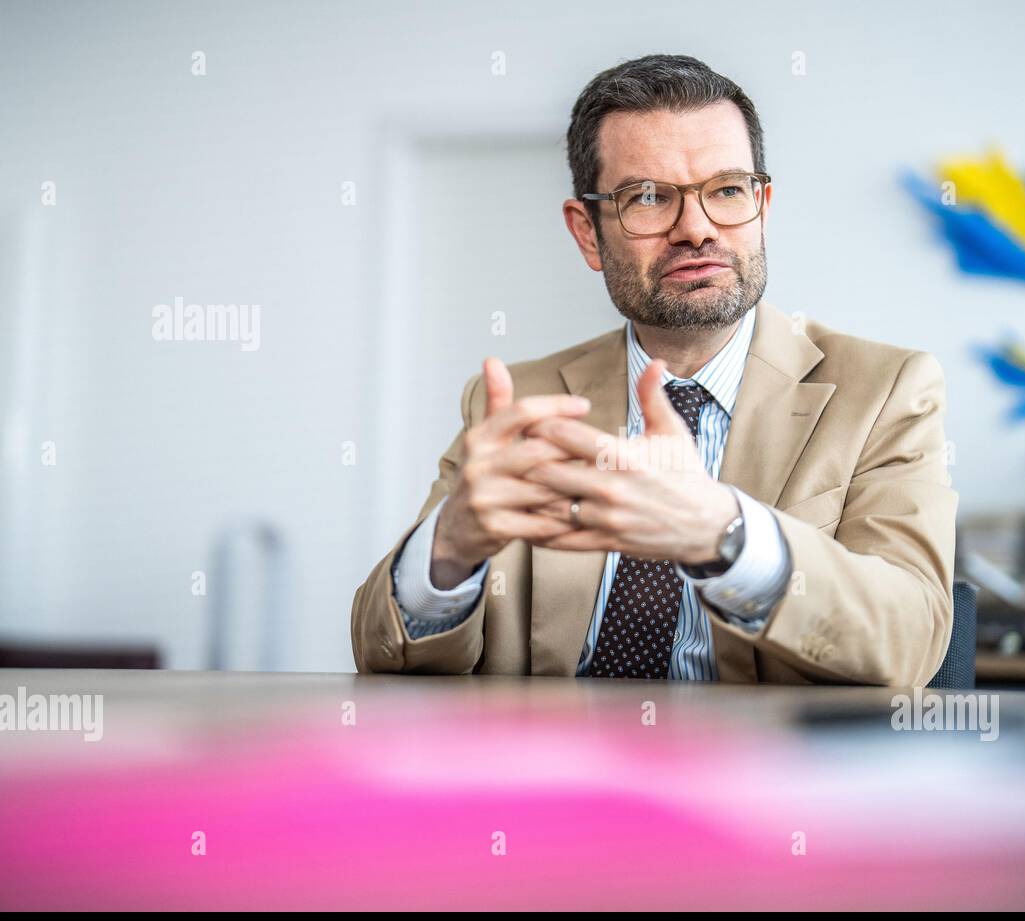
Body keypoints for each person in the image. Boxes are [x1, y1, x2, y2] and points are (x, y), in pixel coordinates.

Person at [351, 54, 957, 684]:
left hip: (765, 774)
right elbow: (380, 652)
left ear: (762, 205)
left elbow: (910, 641)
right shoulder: (515, 402)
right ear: (588, 234)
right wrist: (450, 549)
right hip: (555, 770)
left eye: (726, 190)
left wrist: (728, 535)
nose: (695, 229)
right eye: (647, 198)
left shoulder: (887, 391)